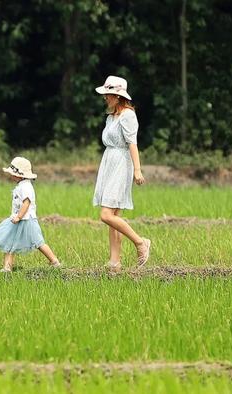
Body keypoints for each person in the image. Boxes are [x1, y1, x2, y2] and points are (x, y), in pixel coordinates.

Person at [93, 76, 151, 272]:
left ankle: (140, 242)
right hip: (109, 162)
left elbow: (132, 143)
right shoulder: (111, 118)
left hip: (121, 164)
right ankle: (114, 261)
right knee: (114, 215)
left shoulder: (128, 116)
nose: (105, 98)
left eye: (108, 94)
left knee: (106, 214)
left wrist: (137, 169)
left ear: (117, 96)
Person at [0, 157, 61, 272]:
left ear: (19, 175)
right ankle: (7, 267)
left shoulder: (26, 187)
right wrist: (16, 217)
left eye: (12, 174)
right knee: (10, 241)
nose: (11, 176)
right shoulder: (22, 185)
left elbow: (26, 203)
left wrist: (19, 216)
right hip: (18, 220)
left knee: (38, 242)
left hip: (27, 220)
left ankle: (55, 261)